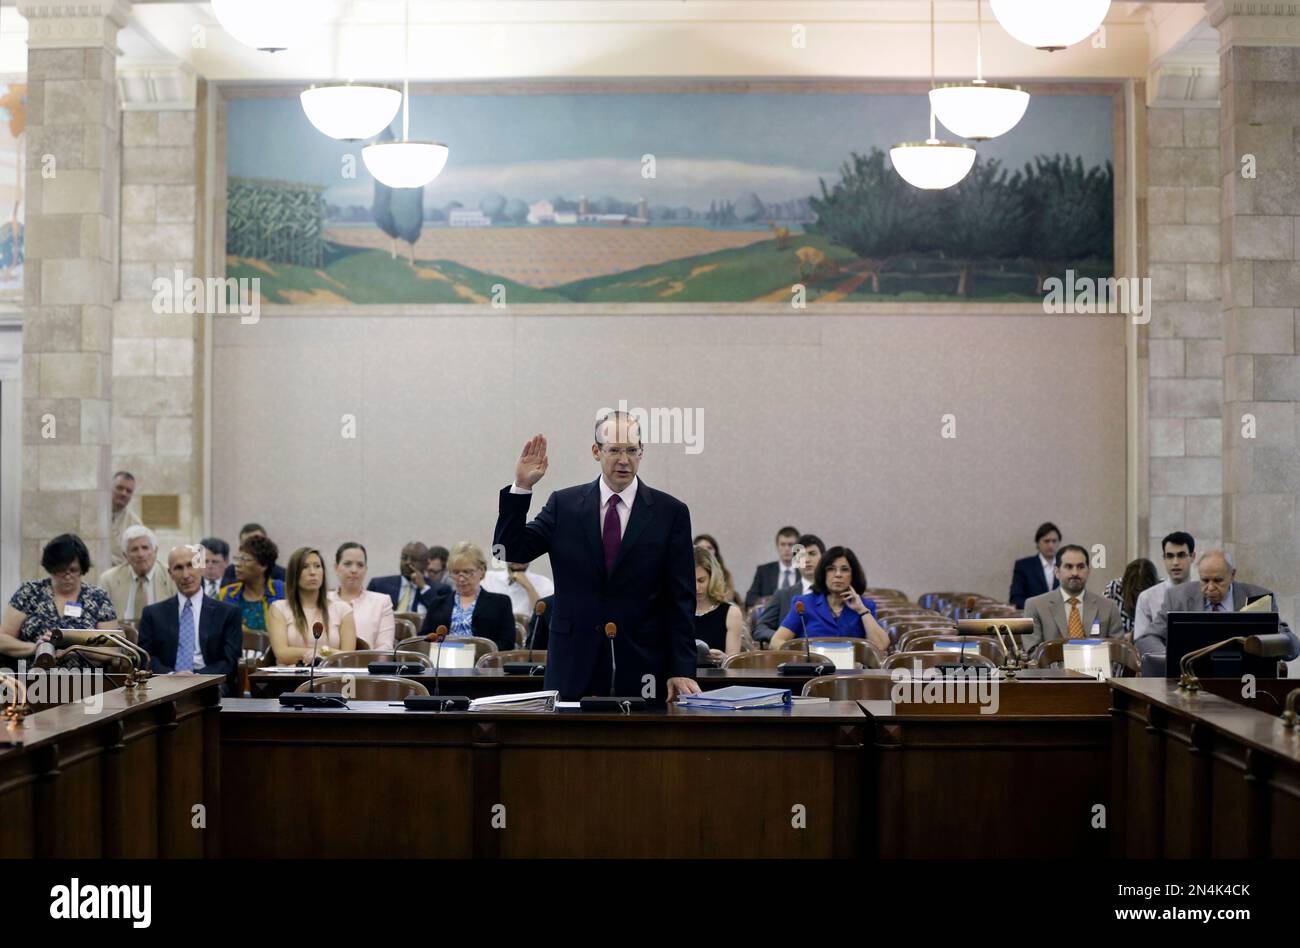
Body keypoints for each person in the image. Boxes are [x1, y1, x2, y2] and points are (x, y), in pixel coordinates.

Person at [494, 412, 700, 703]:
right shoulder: (563, 505)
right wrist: (522, 487)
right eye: (614, 450)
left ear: (642, 452)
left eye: (632, 450)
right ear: (596, 451)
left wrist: (682, 668)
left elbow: (681, 598)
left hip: (643, 665)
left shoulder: (670, 513)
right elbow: (509, 550)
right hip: (573, 662)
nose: (624, 460)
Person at [1136, 549, 1299, 660]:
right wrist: (1169, 658)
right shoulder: (1178, 597)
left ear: (1232, 575)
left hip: (1244, 677)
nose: (1210, 587)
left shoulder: (1257, 597)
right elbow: (1147, 638)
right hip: (1190, 675)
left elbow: (1290, 644)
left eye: (1218, 580)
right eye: (1204, 580)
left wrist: (1270, 644)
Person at [137, 545, 242, 695]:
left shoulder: (228, 613)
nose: (186, 574)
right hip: (165, 684)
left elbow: (229, 661)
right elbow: (145, 657)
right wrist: (173, 676)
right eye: (178, 568)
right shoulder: (152, 614)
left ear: (202, 568)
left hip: (209, 684)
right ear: (170, 573)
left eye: (191, 565)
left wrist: (197, 678)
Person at [1, 534, 119, 663]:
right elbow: (3, 639)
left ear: (82, 568)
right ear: (51, 568)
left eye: (73, 570)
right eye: (60, 570)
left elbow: (112, 651)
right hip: (33, 676)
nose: (67, 576)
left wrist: (76, 648)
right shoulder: (29, 592)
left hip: (84, 678)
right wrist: (36, 647)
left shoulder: (98, 597)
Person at [770, 546, 889, 651]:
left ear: (853, 575)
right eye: (831, 569)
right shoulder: (805, 604)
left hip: (852, 673)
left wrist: (862, 610)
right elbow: (776, 641)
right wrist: (805, 655)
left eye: (844, 569)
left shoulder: (865, 606)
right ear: (823, 573)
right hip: (812, 671)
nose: (838, 574)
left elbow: (881, 646)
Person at [1022, 544, 1124, 653]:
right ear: (1057, 572)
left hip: (1098, 669)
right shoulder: (1035, 605)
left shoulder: (1108, 607)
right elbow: (1033, 652)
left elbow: (1119, 651)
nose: (1075, 573)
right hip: (1052, 669)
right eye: (1068, 567)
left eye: (1080, 567)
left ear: (1088, 571)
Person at [419, 542, 517, 652]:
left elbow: (507, 643)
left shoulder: (501, 603)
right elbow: (424, 640)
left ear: (482, 570)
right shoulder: (437, 604)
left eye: (467, 572)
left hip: (483, 665)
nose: (461, 579)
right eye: (456, 573)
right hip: (443, 663)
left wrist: (473, 652)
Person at [267, 547, 356, 664]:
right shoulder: (279, 608)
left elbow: (347, 657)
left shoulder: (343, 609)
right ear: (294, 573)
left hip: (332, 677)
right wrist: (322, 653)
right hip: (290, 678)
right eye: (305, 567)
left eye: (317, 566)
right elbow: (281, 653)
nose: (313, 572)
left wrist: (319, 653)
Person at [753, 533, 824, 644]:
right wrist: (781, 639)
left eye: (812, 554)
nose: (807, 559)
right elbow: (760, 628)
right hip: (791, 655)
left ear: (823, 558)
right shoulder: (783, 594)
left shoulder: (832, 593)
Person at [99, 525, 177, 624]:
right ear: (125, 555)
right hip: (122, 637)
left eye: (145, 548)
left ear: (155, 551)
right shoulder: (108, 580)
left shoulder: (172, 576)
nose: (140, 554)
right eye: (134, 549)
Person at [329, 541, 396, 652]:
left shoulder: (382, 602)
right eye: (348, 564)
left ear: (366, 569)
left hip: (367, 666)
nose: (354, 570)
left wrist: (359, 660)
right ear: (336, 567)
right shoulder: (323, 601)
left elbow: (386, 647)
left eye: (360, 565)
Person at [1133, 531, 1195, 642]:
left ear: (1192, 557)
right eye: (1170, 556)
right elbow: (1142, 641)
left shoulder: (1203, 592)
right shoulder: (1147, 597)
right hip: (1159, 657)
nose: (1175, 562)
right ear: (1164, 558)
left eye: (1181, 555)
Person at [217, 534, 285, 632]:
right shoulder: (226, 594)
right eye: (237, 559)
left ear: (263, 565)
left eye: (245, 560)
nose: (237, 565)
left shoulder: (283, 593)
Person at [369, 542, 447, 617]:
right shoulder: (379, 585)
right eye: (404, 558)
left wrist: (423, 587)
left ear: (426, 563)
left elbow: (441, 615)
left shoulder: (440, 590)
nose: (407, 562)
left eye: (414, 559)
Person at [694, 546, 743, 661]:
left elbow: (733, 664)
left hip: (717, 676)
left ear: (712, 578)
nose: (696, 587)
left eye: (701, 580)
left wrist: (724, 658)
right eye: (691, 580)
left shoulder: (731, 613)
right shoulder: (674, 611)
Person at [744, 525, 801, 608]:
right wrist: (766, 601)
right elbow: (750, 598)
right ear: (777, 546)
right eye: (783, 544)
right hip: (771, 616)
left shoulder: (804, 571)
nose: (786, 549)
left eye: (790, 545)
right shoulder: (764, 571)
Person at [1009, 522, 1062, 609]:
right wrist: (1038, 608)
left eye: (1054, 541)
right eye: (1046, 541)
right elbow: (1015, 598)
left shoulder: (1066, 566)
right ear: (1038, 543)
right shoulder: (1024, 566)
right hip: (1033, 616)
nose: (1051, 545)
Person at [1104, 558, 1159, 637]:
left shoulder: (1163, 590)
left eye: (1143, 591)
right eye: (1136, 590)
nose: (1139, 597)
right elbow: (1103, 625)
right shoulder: (1114, 589)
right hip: (1120, 644)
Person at [482, 560, 555, 618]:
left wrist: (529, 587)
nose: (517, 557)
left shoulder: (545, 583)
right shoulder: (488, 578)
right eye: (513, 551)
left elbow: (546, 618)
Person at [219, 524, 287, 585]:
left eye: (257, 542)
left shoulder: (282, 575)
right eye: (246, 544)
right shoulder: (231, 572)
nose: (252, 547)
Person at [693, 534, 741, 605]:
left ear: (716, 551)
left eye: (709, 548)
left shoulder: (725, 574)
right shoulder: (685, 570)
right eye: (701, 548)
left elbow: (728, 597)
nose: (705, 551)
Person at [110, 471, 143, 568]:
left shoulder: (135, 523)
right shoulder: (91, 515)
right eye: (119, 488)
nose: (124, 493)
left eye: (128, 491)